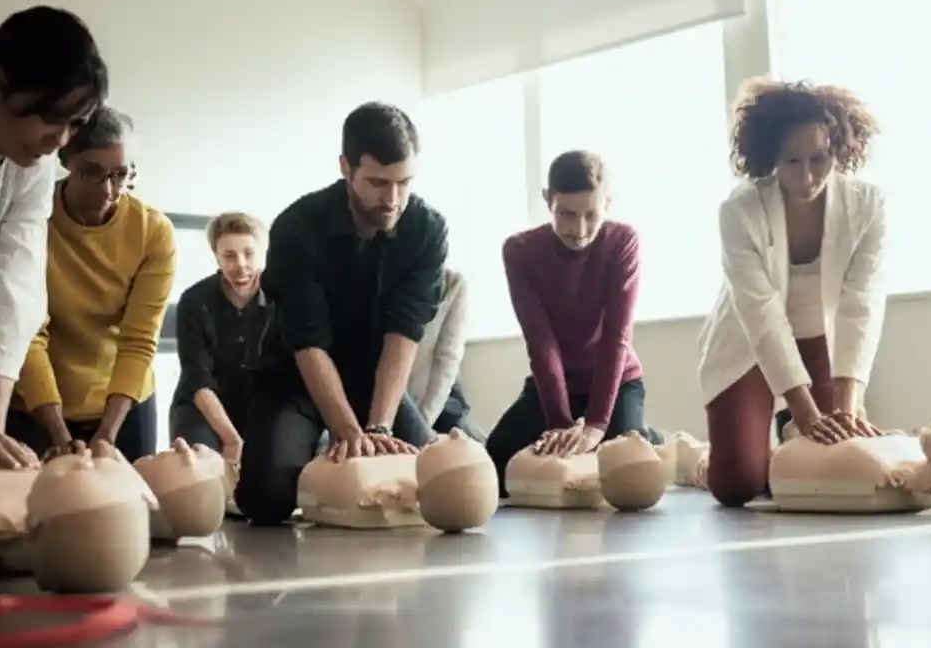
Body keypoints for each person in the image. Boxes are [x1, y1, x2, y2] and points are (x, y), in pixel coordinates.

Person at [235, 101, 446, 525]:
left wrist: (379, 429)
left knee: (442, 481)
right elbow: (307, 339)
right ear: (345, 167)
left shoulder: (427, 229)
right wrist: (348, 432)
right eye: (377, 183)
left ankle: (333, 451)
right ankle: (305, 453)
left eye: (404, 183)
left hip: (372, 383)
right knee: (267, 499)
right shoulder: (296, 227)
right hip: (293, 380)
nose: (393, 200)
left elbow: (404, 332)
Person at [696, 78, 888, 508]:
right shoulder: (738, 212)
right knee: (738, 485)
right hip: (749, 343)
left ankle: (787, 436)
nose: (807, 177)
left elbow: (861, 305)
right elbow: (760, 314)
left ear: (838, 148)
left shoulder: (868, 205)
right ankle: (693, 458)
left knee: (838, 456)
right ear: (770, 159)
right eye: (792, 161)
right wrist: (805, 410)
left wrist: (848, 405)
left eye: (819, 159)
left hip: (821, 341)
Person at [0, 6, 107, 474]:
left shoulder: (35, 168)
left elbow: (11, 291)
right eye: (52, 118)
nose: (60, 139)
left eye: (76, 123)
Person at [485, 150, 661, 493]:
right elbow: (541, 342)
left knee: (626, 467)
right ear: (548, 200)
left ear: (607, 204)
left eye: (591, 215)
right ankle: (623, 429)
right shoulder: (519, 251)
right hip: (554, 385)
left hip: (615, 382)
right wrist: (559, 424)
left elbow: (616, 337)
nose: (579, 230)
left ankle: (649, 435)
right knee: (497, 463)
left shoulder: (623, 241)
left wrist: (595, 424)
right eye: (566, 214)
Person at [10, 106, 176, 463]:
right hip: (37, 401)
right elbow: (27, 335)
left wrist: (108, 434)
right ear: (66, 160)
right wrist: (58, 435)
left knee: (124, 509)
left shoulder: (153, 232)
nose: (108, 191)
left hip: (122, 401)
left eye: (120, 175)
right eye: (92, 174)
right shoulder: (31, 218)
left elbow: (139, 339)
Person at [170, 212, 273, 463]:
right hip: (202, 406)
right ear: (216, 255)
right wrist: (231, 439)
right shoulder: (194, 302)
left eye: (249, 254)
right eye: (229, 255)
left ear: (263, 253)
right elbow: (197, 378)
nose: (240, 264)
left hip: (261, 405)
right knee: (199, 466)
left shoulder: (282, 298)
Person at [406, 267, 486, 441]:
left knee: (481, 455)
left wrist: (422, 427)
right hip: (391, 401)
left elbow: (448, 358)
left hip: (440, 400)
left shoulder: (454, 283)